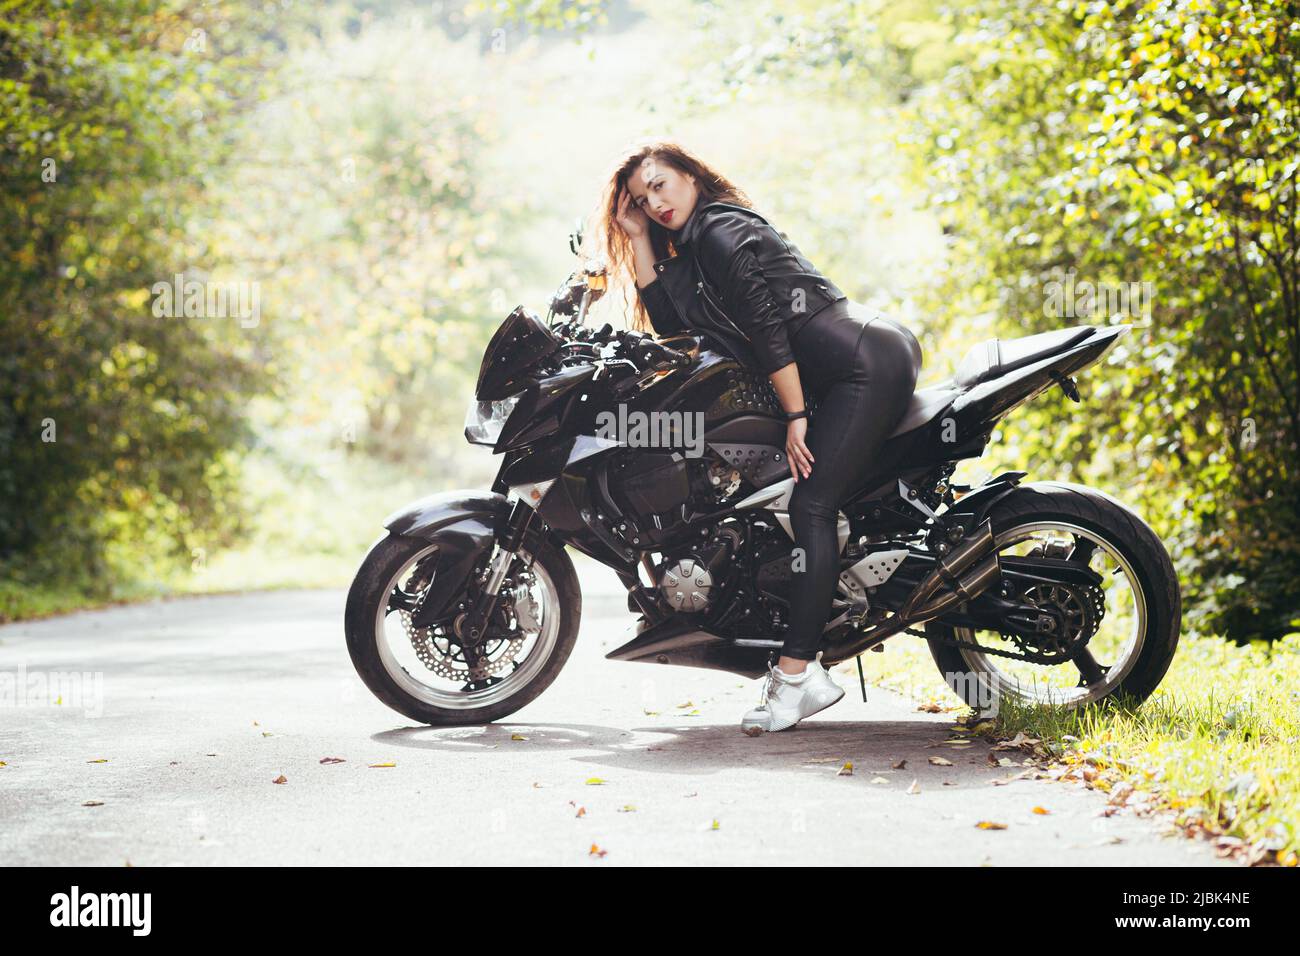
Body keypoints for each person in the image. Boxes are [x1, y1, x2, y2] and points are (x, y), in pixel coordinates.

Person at [599, 139, 923, 733]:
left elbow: (766, 325)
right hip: (842, 368)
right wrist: (639, 237)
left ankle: (798, 677)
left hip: (862, 364)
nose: (656, 202)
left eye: (661, 185)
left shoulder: (719, 230)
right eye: (644, 199)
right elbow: (676, 329)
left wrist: (797, 414)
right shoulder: (693, 246)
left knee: (812, 503)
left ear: (692, 175)